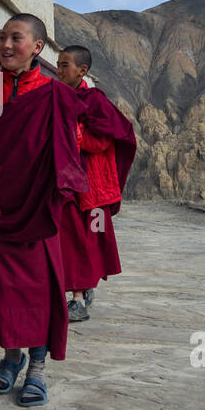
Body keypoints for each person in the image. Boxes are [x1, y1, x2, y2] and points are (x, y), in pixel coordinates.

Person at [0, 14, 86, 408]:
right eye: (2, 38)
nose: (6, 45)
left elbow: (66, 150)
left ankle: (37, 367)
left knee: (38, 289)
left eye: (16, 38)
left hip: (37, 208)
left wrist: (62, 193)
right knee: (1, 288)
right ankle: (11, 356)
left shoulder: (55, 94)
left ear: (37, 47)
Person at [54, 45, 136, 321]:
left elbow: (107, 138)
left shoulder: (94, 101)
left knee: (84, 240)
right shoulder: (58, 96)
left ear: (82, 71)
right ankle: (82, 288)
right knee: (70, 239)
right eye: (58, 64)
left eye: (65, 65)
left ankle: (77, 298)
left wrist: (77, 136)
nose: (59, 69)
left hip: (88, 185)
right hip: (64, 180)